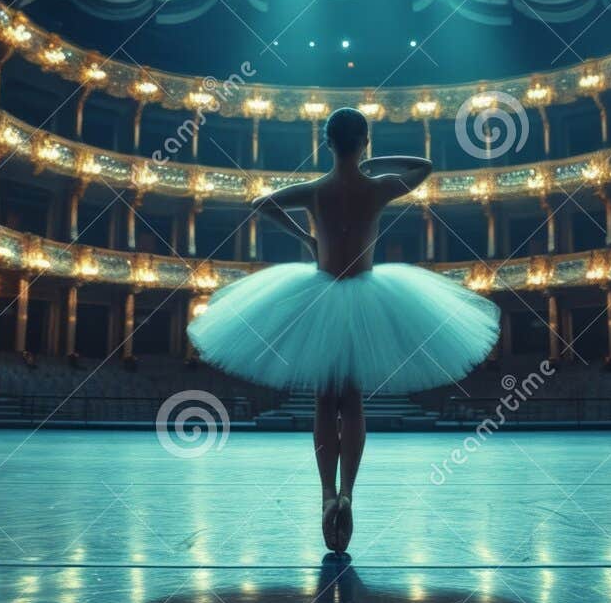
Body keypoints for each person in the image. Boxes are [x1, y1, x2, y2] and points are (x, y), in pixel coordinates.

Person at [188, 108, 500, 553]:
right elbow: (424, 167)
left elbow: (262, 204)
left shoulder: (316, 190)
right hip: (365, 295)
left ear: (327, 143)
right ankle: (349, 493)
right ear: (364, 141)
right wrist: (374, 162)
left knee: (324, 402)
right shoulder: (377, 188)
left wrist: (306, 239)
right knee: (352, 402)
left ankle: (326, 495)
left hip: (321, 295)